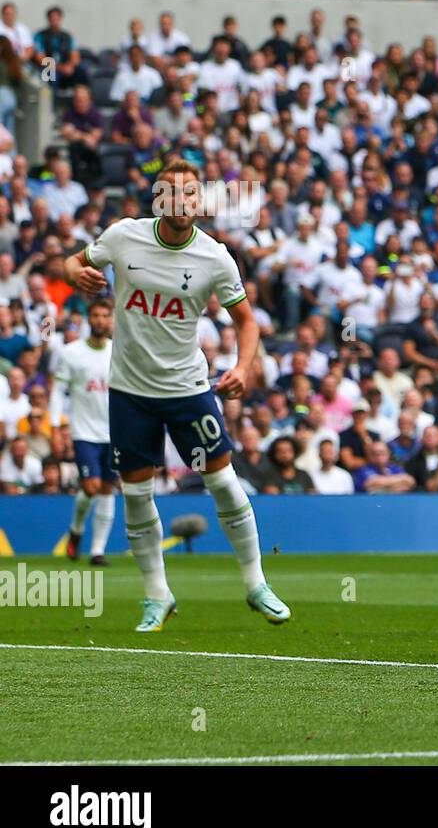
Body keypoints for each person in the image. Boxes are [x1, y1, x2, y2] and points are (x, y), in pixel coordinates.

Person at [63, 158, 291, 631]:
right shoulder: (125, 236)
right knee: (137, 494)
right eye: (171, 193)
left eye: (190, 194)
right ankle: (157, 595)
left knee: (223, 483)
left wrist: (243, 367)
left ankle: (255, 583)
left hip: (187, 389)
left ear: (199, 201)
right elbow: (75, 261)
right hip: (129, 390)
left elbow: (247, 320)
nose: (182, 202)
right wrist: (73, 273)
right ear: (158, 199)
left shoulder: (215, 256)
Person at [50, 297, 115, 564]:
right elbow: (57, 391)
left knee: (107, 489)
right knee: (91, 486)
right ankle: (76, 530)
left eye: (104, 316)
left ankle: (97, 551)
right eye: (96, 315)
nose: (100, 320)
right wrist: (56, 426)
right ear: (89, 319)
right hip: (84, 431)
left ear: (110, 319)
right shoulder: (71, 352)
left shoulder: (118, 351)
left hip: (114, 432)